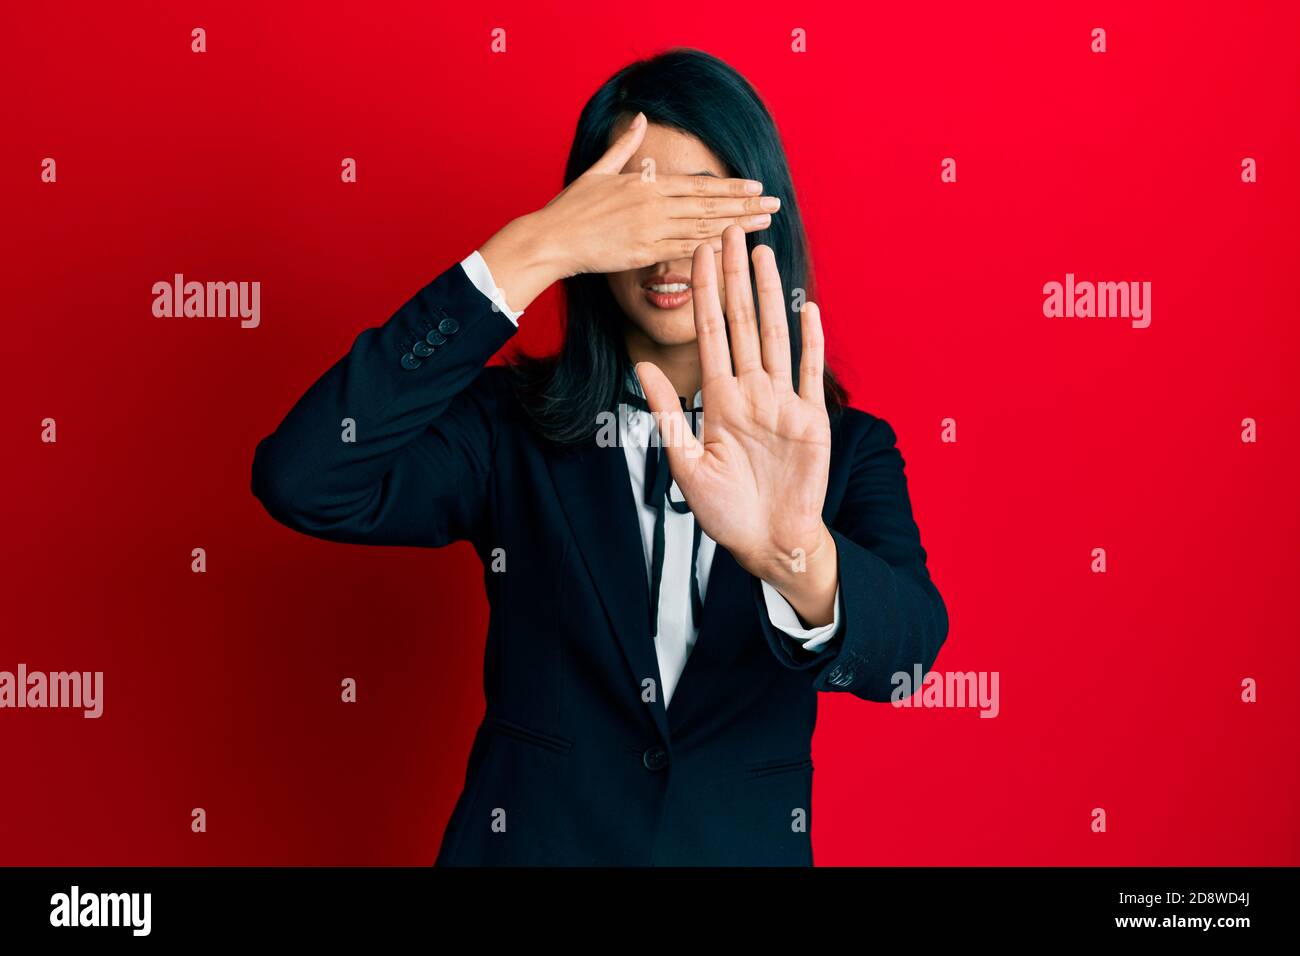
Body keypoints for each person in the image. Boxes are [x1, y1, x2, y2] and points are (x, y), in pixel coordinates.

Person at [251, 48, 948, 866]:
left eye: (694, 210)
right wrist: (531, 250)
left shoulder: (846, 449)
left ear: (764, 218)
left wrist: (791, 554)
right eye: (634, 212)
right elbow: (303, 479)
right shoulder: (507, 429)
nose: (662, 254)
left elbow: (906, 657)